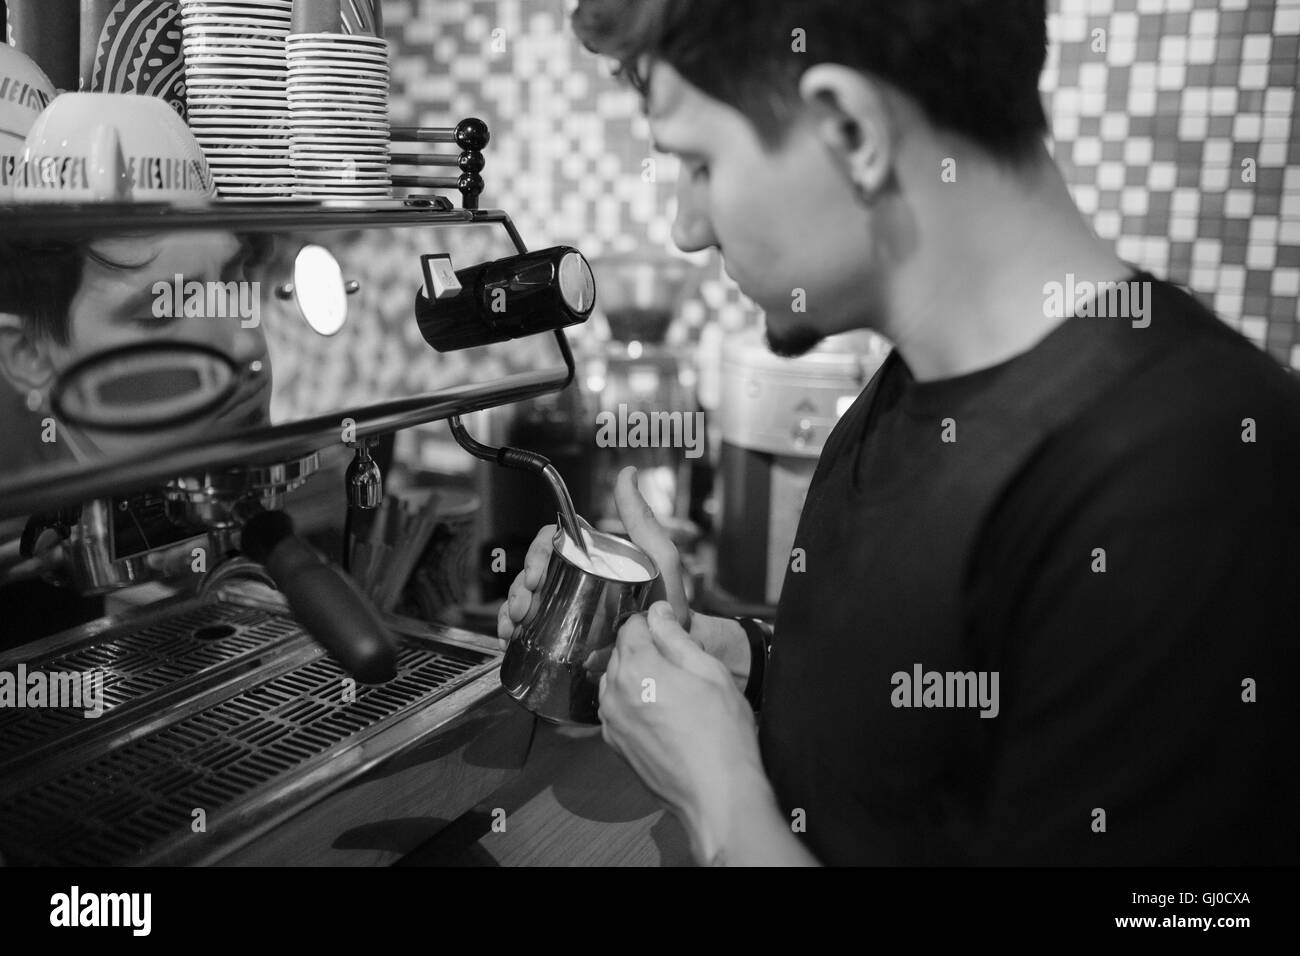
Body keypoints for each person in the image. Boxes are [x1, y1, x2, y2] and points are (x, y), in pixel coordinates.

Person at [499, 0, 1300, 865]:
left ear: (850, 128)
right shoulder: (913, 384)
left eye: (697, 163)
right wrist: (744, 669)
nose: (686, 230)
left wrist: (720, 794)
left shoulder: (1185, 478)